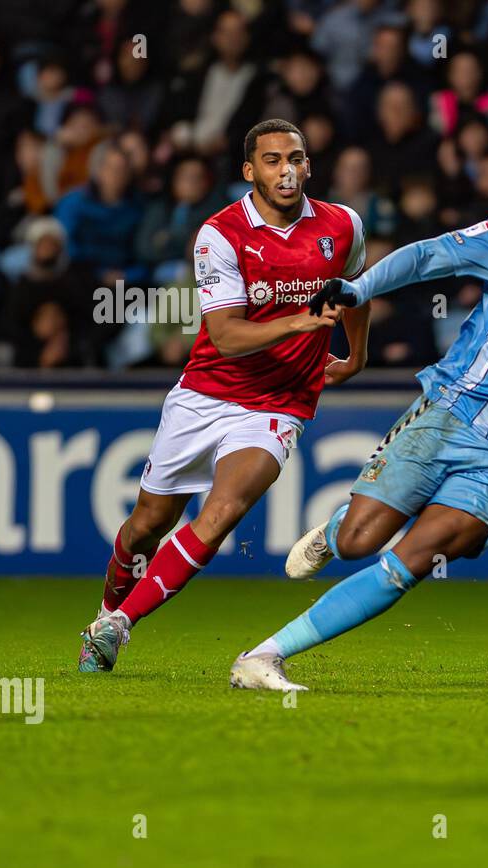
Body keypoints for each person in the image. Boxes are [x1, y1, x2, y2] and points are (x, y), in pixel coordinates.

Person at [228, 145, 488, 691]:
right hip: (451, 410)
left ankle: (264, 656)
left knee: (418, 556)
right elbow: (429, 256)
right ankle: (336, 531)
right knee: (361, 541)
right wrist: (359, 289)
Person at [77, 119, 370, 673]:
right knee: (146, 524)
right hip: (206, 394)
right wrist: (301, 323)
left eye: (297, 158)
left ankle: (120, 625)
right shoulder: (220, 233)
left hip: (280, 402)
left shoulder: (343, 224)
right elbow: (228, 336)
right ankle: (105, 612)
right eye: (274, 160)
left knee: (222, 512)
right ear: (250, 171)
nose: (288, 170)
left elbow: (354, 290)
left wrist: (356, 354)